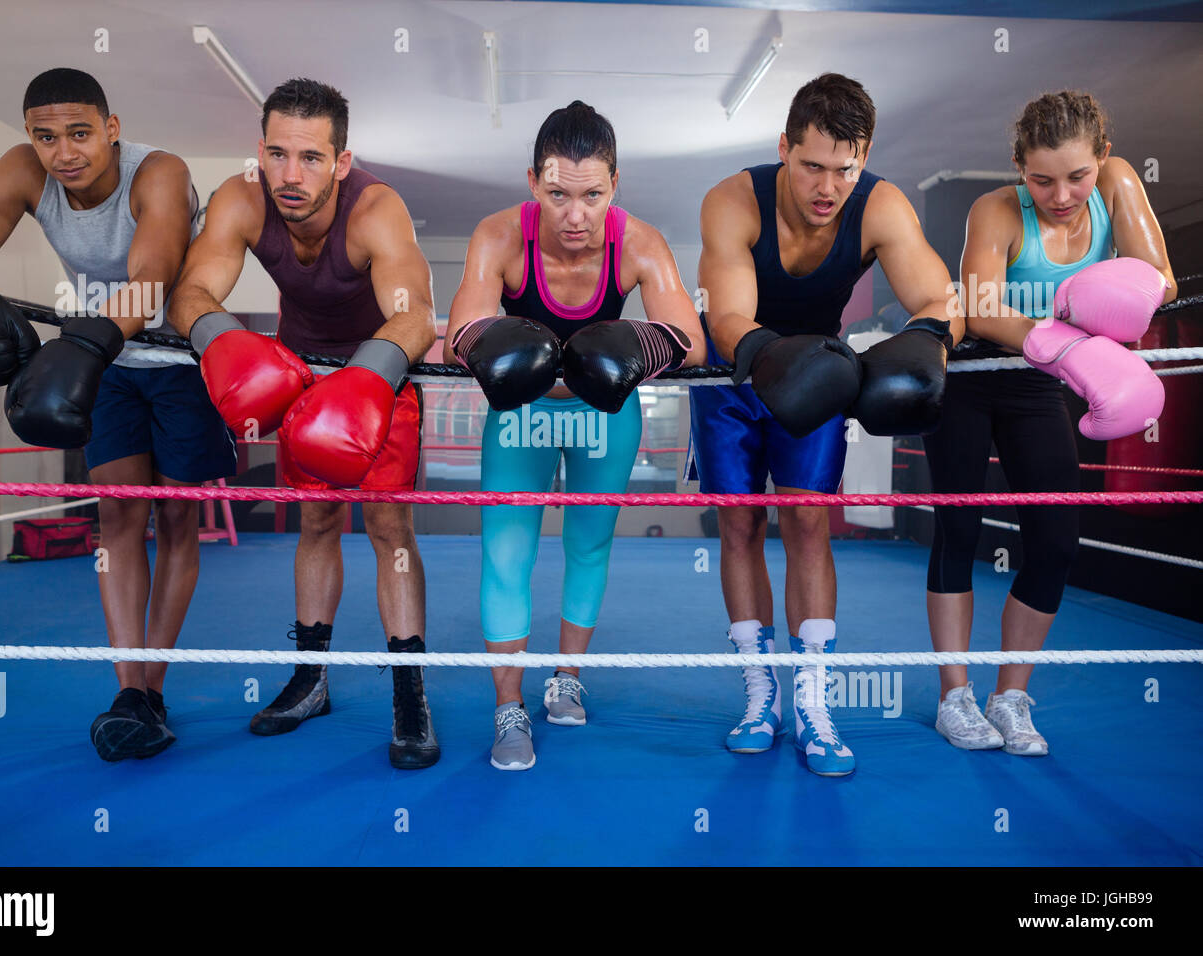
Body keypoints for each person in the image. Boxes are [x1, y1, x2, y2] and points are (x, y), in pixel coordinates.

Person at [0, 67, 235, 762]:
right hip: (108, 368)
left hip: (178, 361)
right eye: (45, 136)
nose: (64, 151)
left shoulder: (158, 171)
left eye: (79, 133)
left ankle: (153, 682)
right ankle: (133, 694)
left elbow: (152, 271)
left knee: (178, 521)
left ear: (111, 129)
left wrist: (86, 343)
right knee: (118, 517)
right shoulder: (24, 171)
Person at [691, 73, 962, 776]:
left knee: (810, 522)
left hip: (819, 371)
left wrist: (925, 338)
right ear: (784, 147)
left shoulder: (881, 206)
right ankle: (760, 697)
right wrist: (764, 357)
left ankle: (815, 703)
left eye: (845, 169)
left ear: (863, 159)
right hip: (735, 370)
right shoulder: (732, 201)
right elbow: (726, 315)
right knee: (740, 524)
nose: (827, 186)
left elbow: (938, 295)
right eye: (812, 165)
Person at [166, 78, 441, 769]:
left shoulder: (377, 210)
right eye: (279, 154)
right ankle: (310, 677)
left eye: (312, 157)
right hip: (299, 375)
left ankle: (410, 695)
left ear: (341, 161)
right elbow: (192, 291)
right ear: (260, 150)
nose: (292, 175)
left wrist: (365, 378)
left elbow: (414, 315)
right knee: (315, 522)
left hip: (380, 376)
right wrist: (223, 344)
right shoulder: (242, 199)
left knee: (390, 529)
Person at [444, 101, 705, 771]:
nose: (576, 215)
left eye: (592, 195)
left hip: (604, 418)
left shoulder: (639, 242)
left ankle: (568, 676)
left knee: (589, 549)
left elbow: (691, 340)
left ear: (614, 183)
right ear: (533, 182)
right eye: (558, 194)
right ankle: (508, 707)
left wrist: (628, 347)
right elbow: (461, 330)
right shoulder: (498, 236)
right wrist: (500, 347)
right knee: (506, 553)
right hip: (522, 417)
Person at [926, 91, 1175, 756]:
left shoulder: (1117, 185)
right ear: (1017, 168)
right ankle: (956, 697)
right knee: (959, 528)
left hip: (1038, 382)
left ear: (1104, 161)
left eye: (1076, 177)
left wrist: (1083, 326)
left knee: (1057, 537)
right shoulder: (996, 210)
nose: (1060, 195)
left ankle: (1010, 697)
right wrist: (1067, 341)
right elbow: (980, 309)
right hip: (973, 378)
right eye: (1040, 179)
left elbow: (1161, 283)